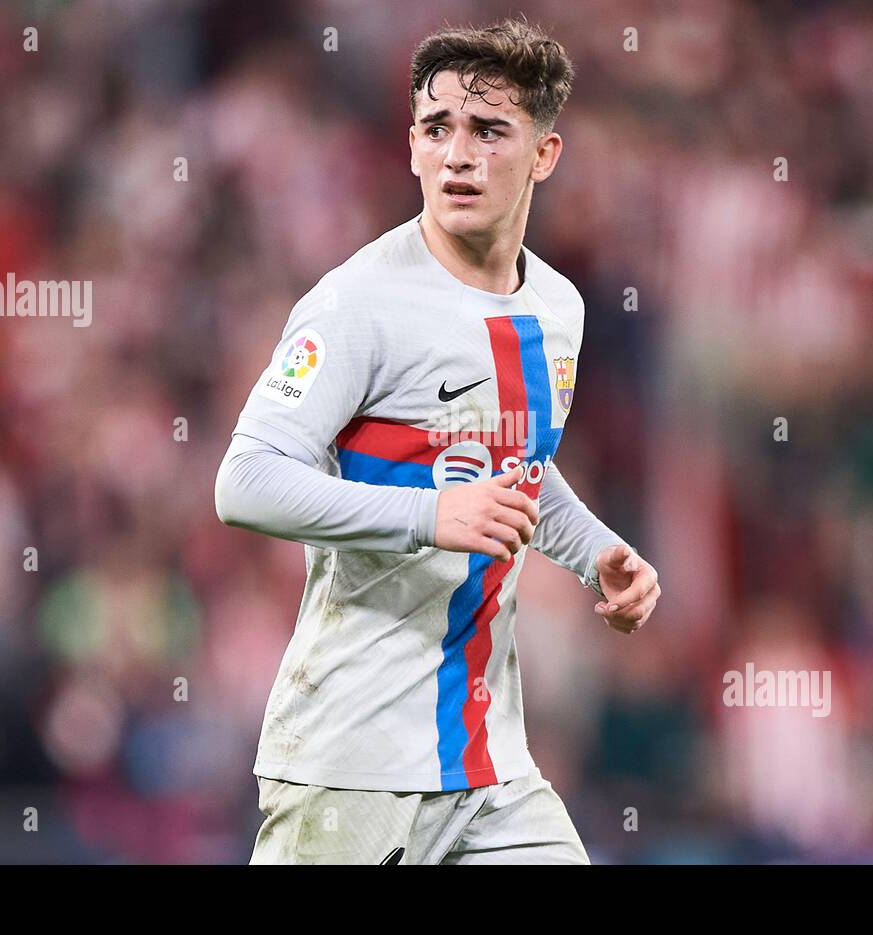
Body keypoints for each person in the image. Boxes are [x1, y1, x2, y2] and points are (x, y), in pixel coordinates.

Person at [215, 15, 660, 864]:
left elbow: (520, 466)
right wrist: (430, 513)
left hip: (493, 765)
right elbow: (245, 481)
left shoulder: (558, 308)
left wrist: (596, 548)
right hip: (352, 764)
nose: (457, 153)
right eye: (436, 128)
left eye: (489, 130)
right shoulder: (357, 303)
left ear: (544, 154)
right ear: (412, 147)